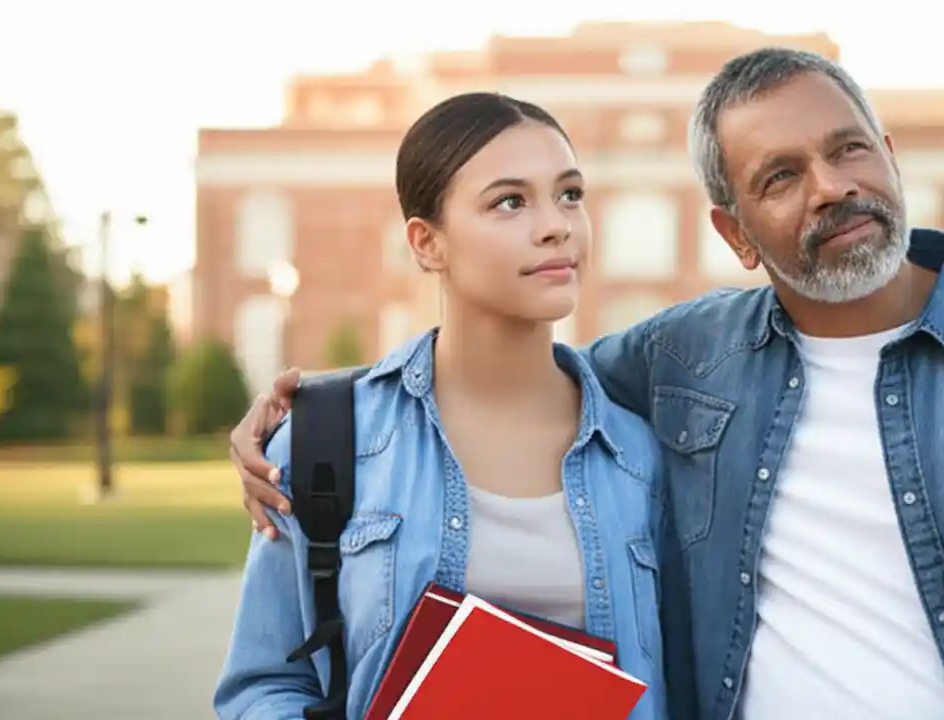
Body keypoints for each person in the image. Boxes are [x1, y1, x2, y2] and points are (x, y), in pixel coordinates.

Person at [229, 49, 944, 719]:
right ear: (733, 234)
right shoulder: (683, 367)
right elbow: (488, 375)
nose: (830, 186)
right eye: (779, 176)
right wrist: (313, 410)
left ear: (890, 158)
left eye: (848, 149)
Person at [213, 92, 668, 720]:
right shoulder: (326, 442)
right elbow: (262, 684)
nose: (557, 224)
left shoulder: (646, 455)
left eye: (569, 194)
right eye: (510, 201)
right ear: (428, 244)